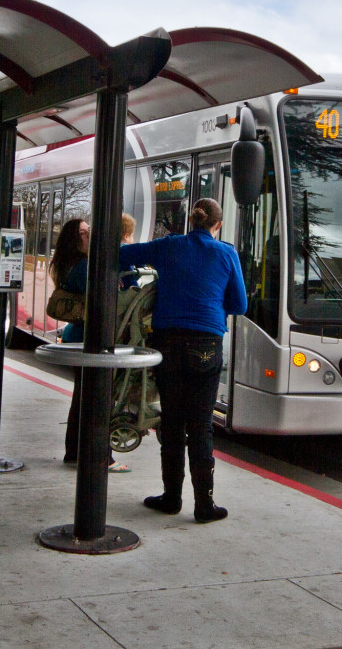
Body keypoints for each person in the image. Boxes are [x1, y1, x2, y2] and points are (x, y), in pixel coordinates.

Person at [119, 198, 247, 523]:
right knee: (201, 425)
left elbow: (123, 254)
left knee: (173, 422)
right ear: (217, 225)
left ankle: (171, 497)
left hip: (168, 342)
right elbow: (239, 304)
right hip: (206, 343)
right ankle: (205, 504)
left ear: (192, 220)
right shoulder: (227, 253)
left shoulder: (169, 246)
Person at [48, 218, 130, 473]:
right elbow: (110, 293)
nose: (88, 235)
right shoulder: (84, 266)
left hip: (78, 337)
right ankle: (101, 456)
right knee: (98, 399)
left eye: (88, 230)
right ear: (73, 240)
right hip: (89, 338)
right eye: (83, 233)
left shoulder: (70, 264)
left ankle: (74, 452)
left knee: (83, 398)